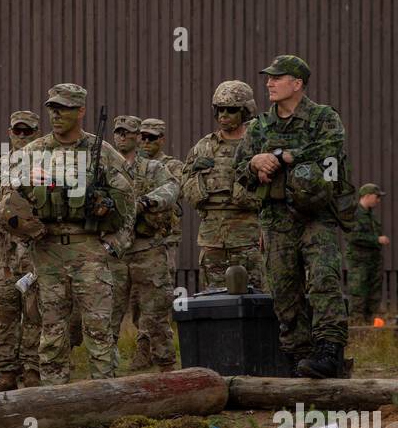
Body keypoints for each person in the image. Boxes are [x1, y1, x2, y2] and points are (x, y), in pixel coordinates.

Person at [12, 83, 134, 384]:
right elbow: (7, 202)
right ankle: (54, 401)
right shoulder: (33, 153)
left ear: (81, 111)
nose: (56, 115)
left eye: (64, 109)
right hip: (47, 251)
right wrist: (23, 231)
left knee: (98, 330)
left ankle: (106, 399)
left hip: (90, 251)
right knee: (52, 331)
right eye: (53, 108)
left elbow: (129, 204)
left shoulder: (102, 153)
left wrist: (113, 245)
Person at [241, 56, 351, 378]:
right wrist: (254, 164)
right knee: (284, 292)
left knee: (323, 280)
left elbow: (332, 151)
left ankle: (329, 350)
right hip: (275, 220)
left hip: (316, 215)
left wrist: (286, 156)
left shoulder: (323, 118)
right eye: (268, 78)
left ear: (298, 84)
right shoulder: (260, 127)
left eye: (277, 78)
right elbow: (239, 170)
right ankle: (299, 358)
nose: (269, 83)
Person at [0, 111, 43, 391]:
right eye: (18, 131)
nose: (23, 137)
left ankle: (32, 370)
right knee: (5, 319)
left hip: (36, 257)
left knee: (35, 317)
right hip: (3, 258)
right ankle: (5, 374)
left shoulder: (48, 168)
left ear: (38, 134)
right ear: (10, 132)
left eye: (29, 132)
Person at [109, 115, 179, 371]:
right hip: (113, 251)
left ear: (138, 137)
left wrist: (147, 202)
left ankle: (167, 368)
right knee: (107, 315)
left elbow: (171, 189)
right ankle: (104, 373)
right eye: (118, 132)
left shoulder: (153, 168)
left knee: (156, 312)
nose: (122, 137)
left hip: (147, 249)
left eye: (128, 133)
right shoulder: (105, 169)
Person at [182, 81, 264, 291]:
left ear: (245, 112)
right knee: (215, 299)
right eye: (220, 109)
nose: (224, 115)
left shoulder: (258, 145)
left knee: (256, 298)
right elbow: (186, 186)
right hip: (212, 239)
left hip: (249, 238)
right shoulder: (203, 146)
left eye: (231, 110)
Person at [345, 183, 389, 323]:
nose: (378, 200)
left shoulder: (371, 215)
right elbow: (353, 236)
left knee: (374, 295)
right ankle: (357, 327)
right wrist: (376, 239)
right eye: (377, 197)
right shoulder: (355, 214)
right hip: (359, 261)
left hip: (373, 261)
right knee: (358, 294)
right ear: (367, 196)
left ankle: (372, 327)